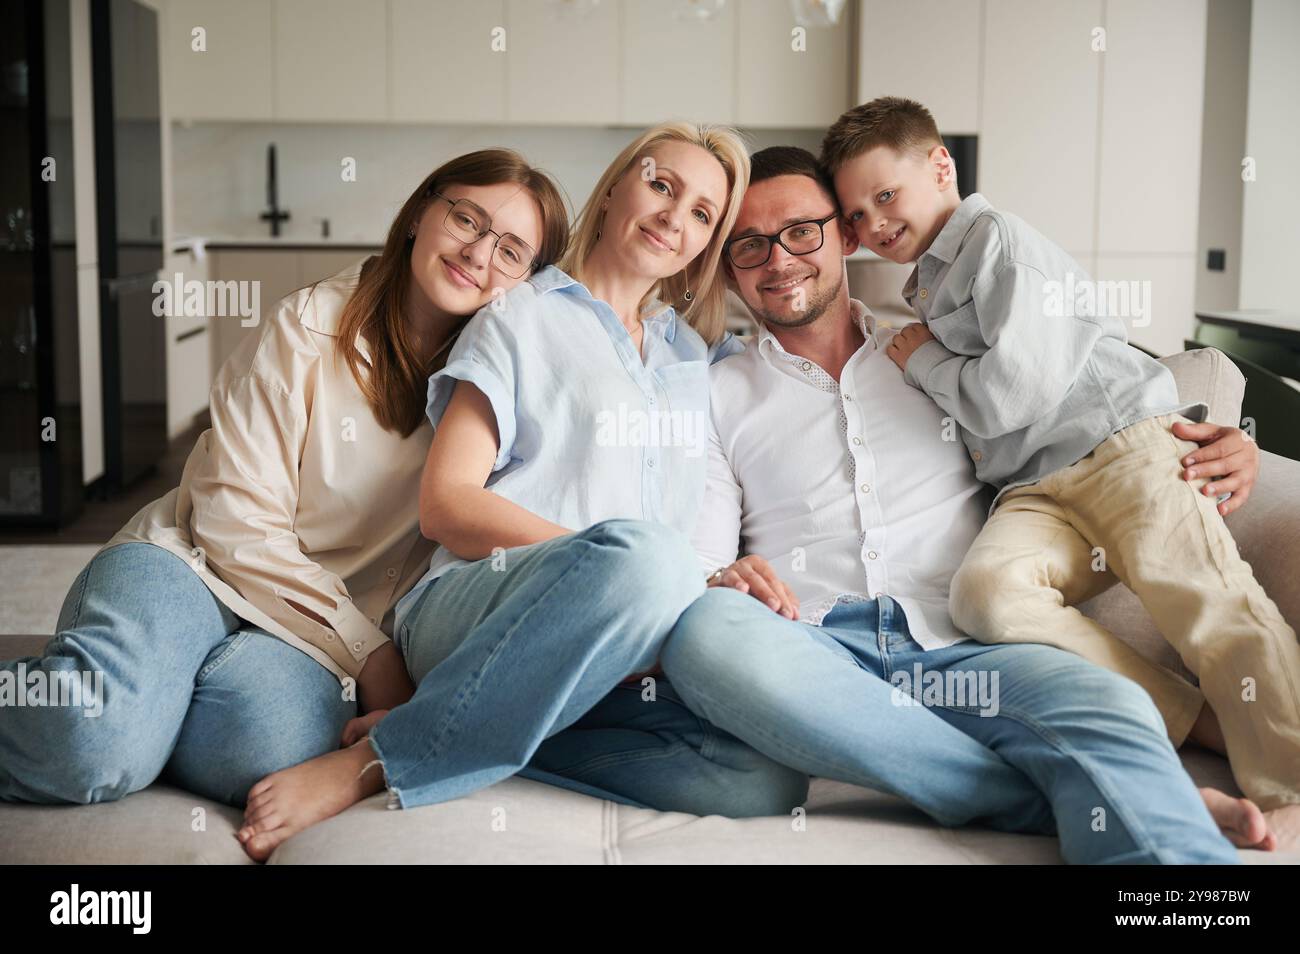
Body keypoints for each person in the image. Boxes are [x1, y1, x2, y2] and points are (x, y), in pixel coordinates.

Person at [662, 144, 1257, 863]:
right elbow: (702, 557)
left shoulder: (940, 357)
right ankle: (1044, 798)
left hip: (962, 648)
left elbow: (1083, 401)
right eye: (747, 245)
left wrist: (1206, 437)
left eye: (800, 231)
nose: (778, 260)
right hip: (814, 651)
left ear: (844, 236)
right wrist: (723, 580)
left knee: (1112, 705)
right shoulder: (715, 390)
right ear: (727, 265)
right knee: (707, 635)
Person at [233, 123, 810, 862]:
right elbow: (446, 504)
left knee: (763, 779)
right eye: (662, 186)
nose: (674, 216)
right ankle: (378, 759)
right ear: (613, 193)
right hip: (476, 606)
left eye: (703, 213)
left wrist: (694, 583)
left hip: (616, 647)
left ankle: (499, 726)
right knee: (647, 559)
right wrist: (621, 570)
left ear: (707, 245)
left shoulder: (690, 357)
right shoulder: (518, 315)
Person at [0, 149, 568, 808]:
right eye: (468, 219)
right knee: (90, 741)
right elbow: (234, 527)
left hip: (305, 634)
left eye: (510, 252)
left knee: (257, 746)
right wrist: (374, 656)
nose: (478, 254)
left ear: (527, 282)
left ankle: (138, 697)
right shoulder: (307, 325)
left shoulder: (498, 384)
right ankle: (107, 706)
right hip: (197, 563)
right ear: (420, 213)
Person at [822, 96, 1299, 849]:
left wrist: (926, 361)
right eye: (855, 215)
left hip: (1119, 446)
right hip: (1038, 488)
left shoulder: (997, 244)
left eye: (886, 196)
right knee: (985, 598)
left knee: (1209, 602)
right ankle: (1186, 715)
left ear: (940, 165)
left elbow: (1011, 394)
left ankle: (1293, 784)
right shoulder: (927, 285)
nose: (873, 225)